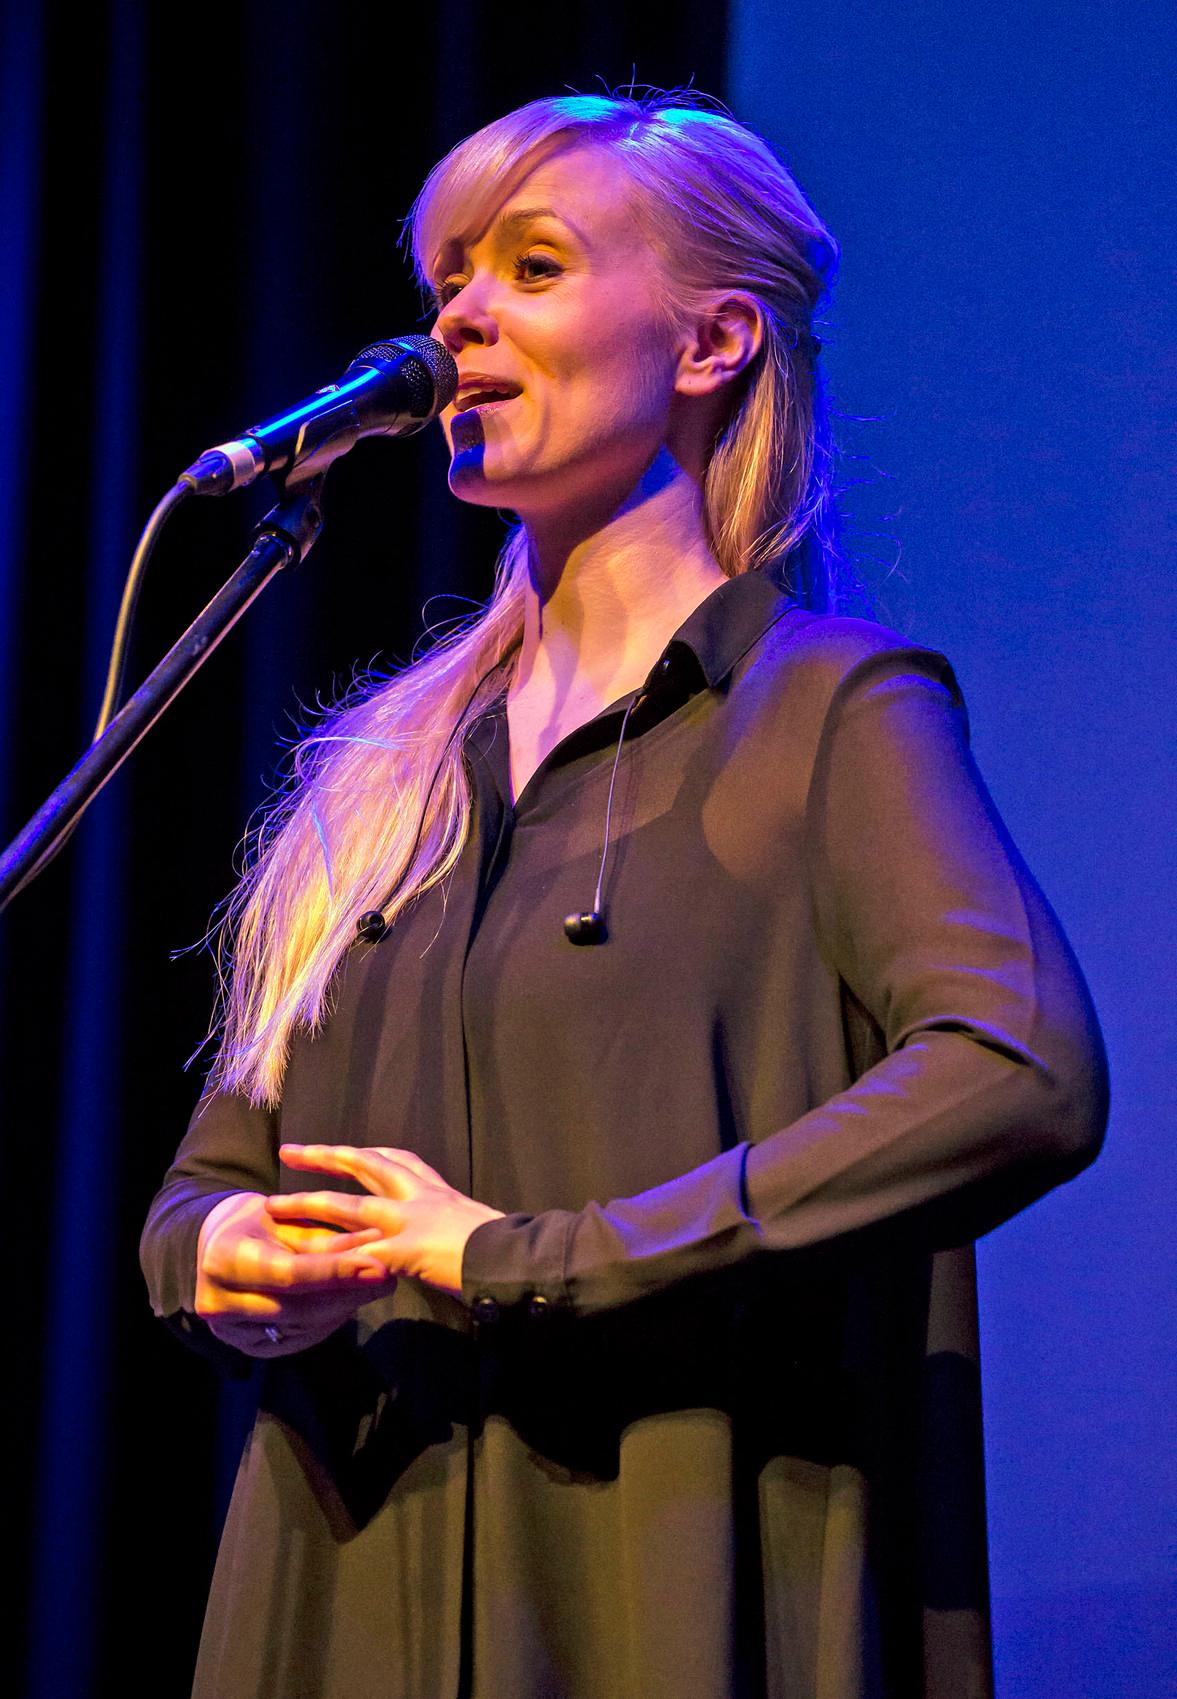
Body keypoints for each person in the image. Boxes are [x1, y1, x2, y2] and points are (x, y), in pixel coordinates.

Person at [140, 90, 1108, 1699]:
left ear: (714, 341)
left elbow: (1019, 1071)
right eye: (448, 276)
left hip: (652, 1575)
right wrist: (223, 1254)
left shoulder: (826, 714)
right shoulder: (378, 773)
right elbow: (209, 1184)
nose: (457, 316)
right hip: (348, 1570)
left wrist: (536, 1256)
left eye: (530, 266)